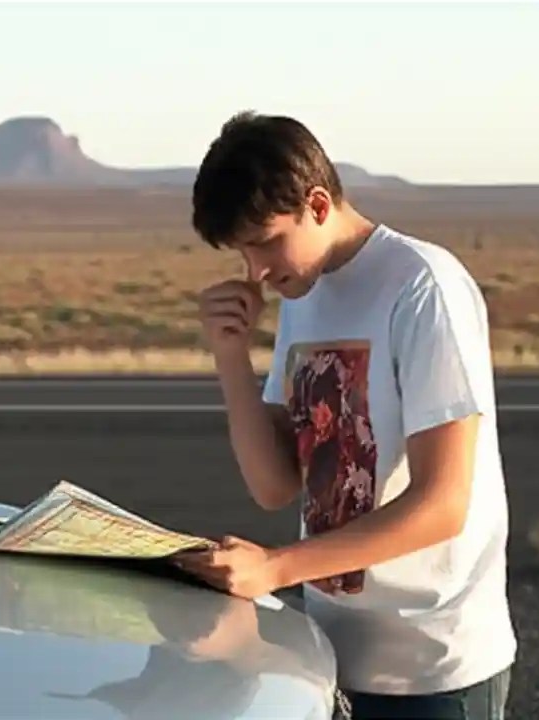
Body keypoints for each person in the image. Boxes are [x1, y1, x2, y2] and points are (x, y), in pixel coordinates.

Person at [169, 110, 517, 719]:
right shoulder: (307, 295)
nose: (257, 272)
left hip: (435, 673)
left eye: (266, 241)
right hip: (332, 655)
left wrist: (275, 568)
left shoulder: (422, 287)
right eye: (242, 252)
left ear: (319, 203)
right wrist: (230, 356)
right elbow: (276, 485)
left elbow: (443, 505)